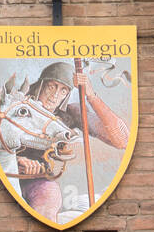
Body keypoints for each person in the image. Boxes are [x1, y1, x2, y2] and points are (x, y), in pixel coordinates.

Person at [17, 61, 129, 221]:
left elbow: (122, 140)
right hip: (6, 175)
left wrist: (91, 96)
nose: (55, 95)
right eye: (51, 86)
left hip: (37, 182)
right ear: (40, 85)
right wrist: (17, 160)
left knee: (49, 195)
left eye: (63, 90)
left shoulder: (70, 114)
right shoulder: (18, 104)